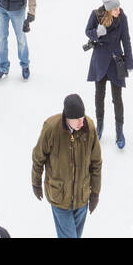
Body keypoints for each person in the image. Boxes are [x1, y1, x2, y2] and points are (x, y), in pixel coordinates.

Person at [31, 94, 102, 239]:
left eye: (83, 117)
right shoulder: (51, 128)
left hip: (82, 198)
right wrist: (36, 182)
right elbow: (38, 157)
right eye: (77, 119)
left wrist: (95, 193)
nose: (82, 123)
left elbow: (96, 163)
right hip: (59, 197)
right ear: (67, 117)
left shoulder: (89, 127)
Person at [84, 0, 133, 149]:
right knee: (99, 95)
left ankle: (119, 131)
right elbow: (87, 31)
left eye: (118, 7)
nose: (118, 10)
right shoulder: (96, 15)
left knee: (117, 98)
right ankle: (99, 126)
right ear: (108, 9)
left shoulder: (122, 18)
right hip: (100, 60)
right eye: (115, 9)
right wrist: (97, 33)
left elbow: (126, 39)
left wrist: (129, 62)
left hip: (115, 61)